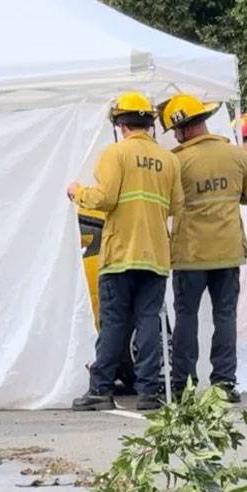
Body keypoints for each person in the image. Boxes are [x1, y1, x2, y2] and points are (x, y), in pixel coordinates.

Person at [67, 92, 184, 412]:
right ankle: (148, 392)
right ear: (149, 123)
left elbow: (104, 198)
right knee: (148, 323)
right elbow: (176, 205)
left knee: (114, 323)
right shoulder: (168, 160)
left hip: (120, 253)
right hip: (155, 255)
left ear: (121, 125)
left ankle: (101, 390)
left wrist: (77, 193)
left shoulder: (115, 153)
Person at [161, 95, 247, 403]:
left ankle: (184, 384)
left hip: (190, 254)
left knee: (186, 317)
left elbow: (167, 204)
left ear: (183, 128)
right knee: (225, 316)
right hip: (228, 252)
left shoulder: (177, 161)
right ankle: (224, 382)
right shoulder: (237, 155)